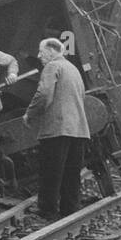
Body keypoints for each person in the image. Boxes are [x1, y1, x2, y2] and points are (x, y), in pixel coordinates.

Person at [23, 36, 90, 219]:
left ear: (51, 51)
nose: (38, 55)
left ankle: (47, 210)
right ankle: (69, 210)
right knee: (71, 173)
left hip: (57, 128)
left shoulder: (52, 66)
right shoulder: (73, 69)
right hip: (78, 129)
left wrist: (30, 113)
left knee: (51, 171)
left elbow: (44, 94)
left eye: (41, 52)